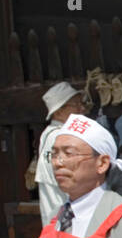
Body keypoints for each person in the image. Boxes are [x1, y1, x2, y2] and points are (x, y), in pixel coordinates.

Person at [34, 82, 85, 224]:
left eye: (81, 103)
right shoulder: (56, 138)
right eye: (76, 105)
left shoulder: (57, 134)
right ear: (58, 111)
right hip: (64, 217)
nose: (82, 108)